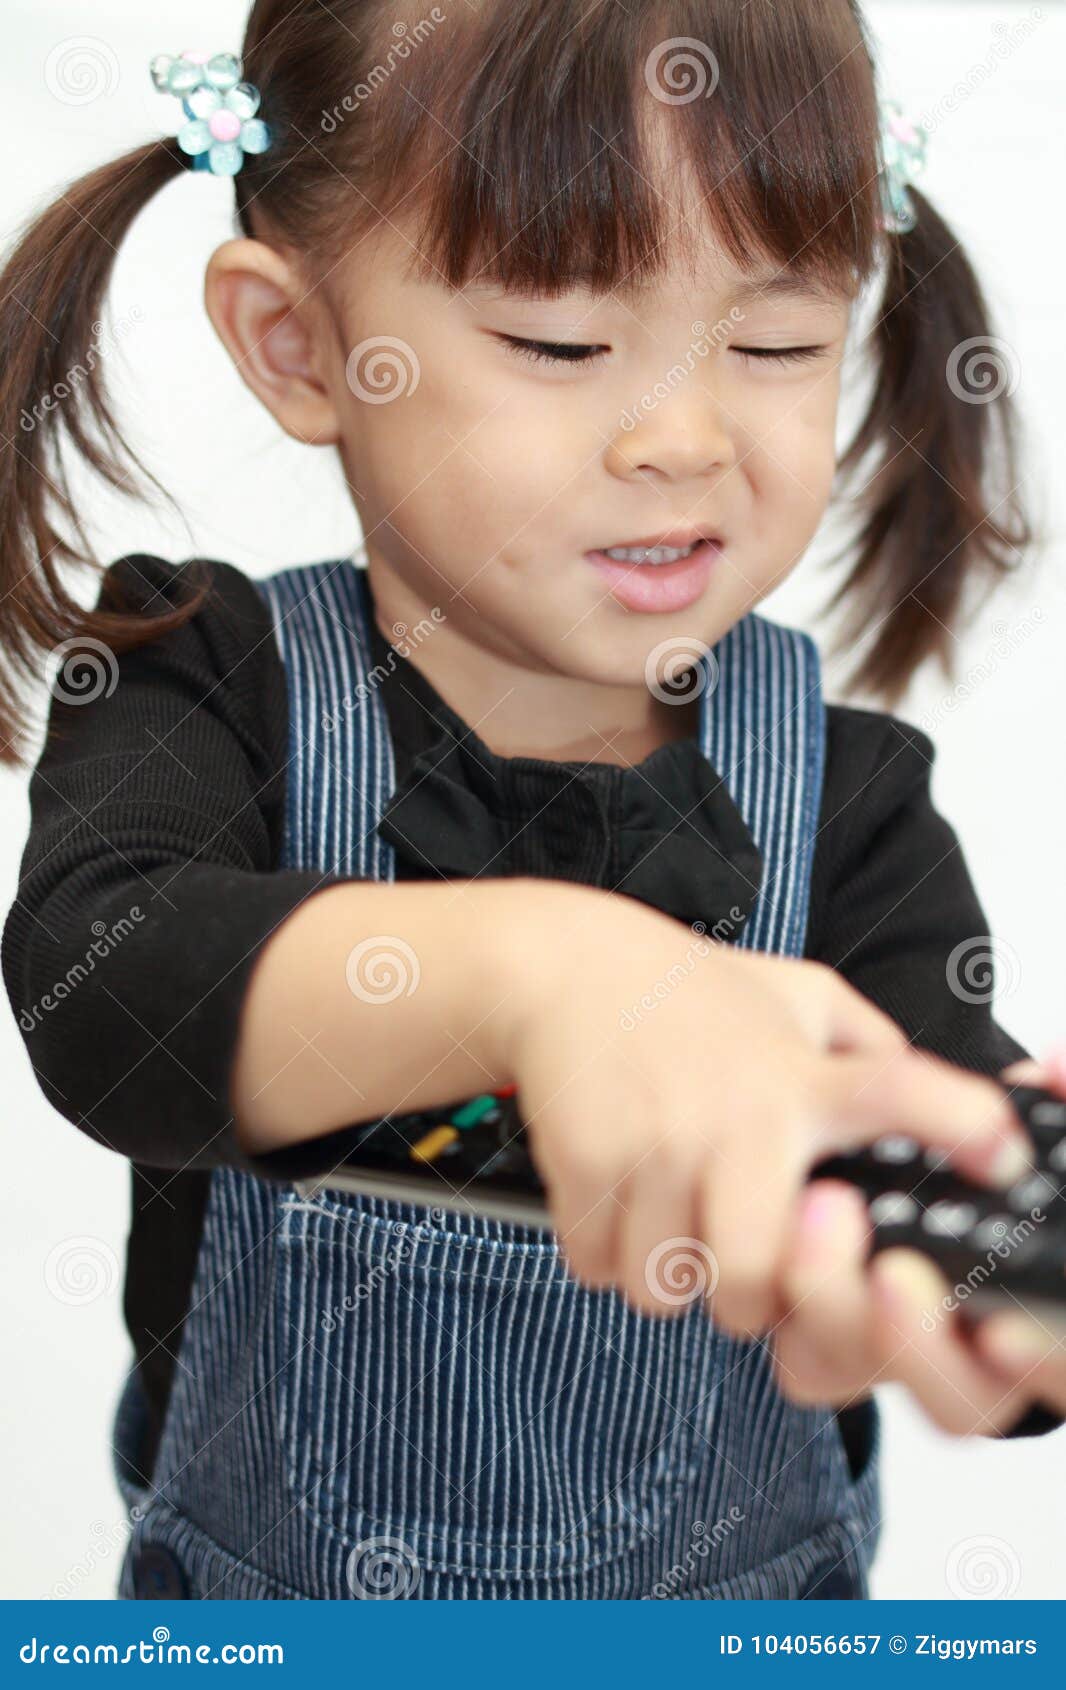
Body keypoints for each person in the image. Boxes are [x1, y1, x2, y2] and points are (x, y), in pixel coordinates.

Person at [0, 1, 1061, 1602]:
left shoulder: (845, 803)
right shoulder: (204, 683)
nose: (681, 438)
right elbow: (111, 992)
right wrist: (548, 979)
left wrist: (1014, 1274)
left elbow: (962, 1199)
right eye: (561, 345)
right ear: (298, 346)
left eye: (775, 345)